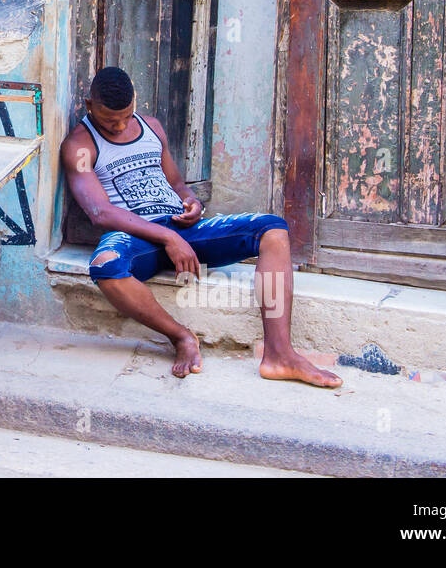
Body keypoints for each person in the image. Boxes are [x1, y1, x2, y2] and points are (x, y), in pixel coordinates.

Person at [60, 65, 341, 387]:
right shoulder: (80, 146)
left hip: (183, 229)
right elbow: (101, 213)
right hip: (134, 236)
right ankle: (181, 337)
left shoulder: (151, 127)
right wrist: (168, 238)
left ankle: (279, 354)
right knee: (106, 267)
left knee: (272, 229)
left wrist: (192, 202)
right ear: (89, 104)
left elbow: (177, 183)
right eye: (110, 120)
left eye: (126, 115)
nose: (120, 125)